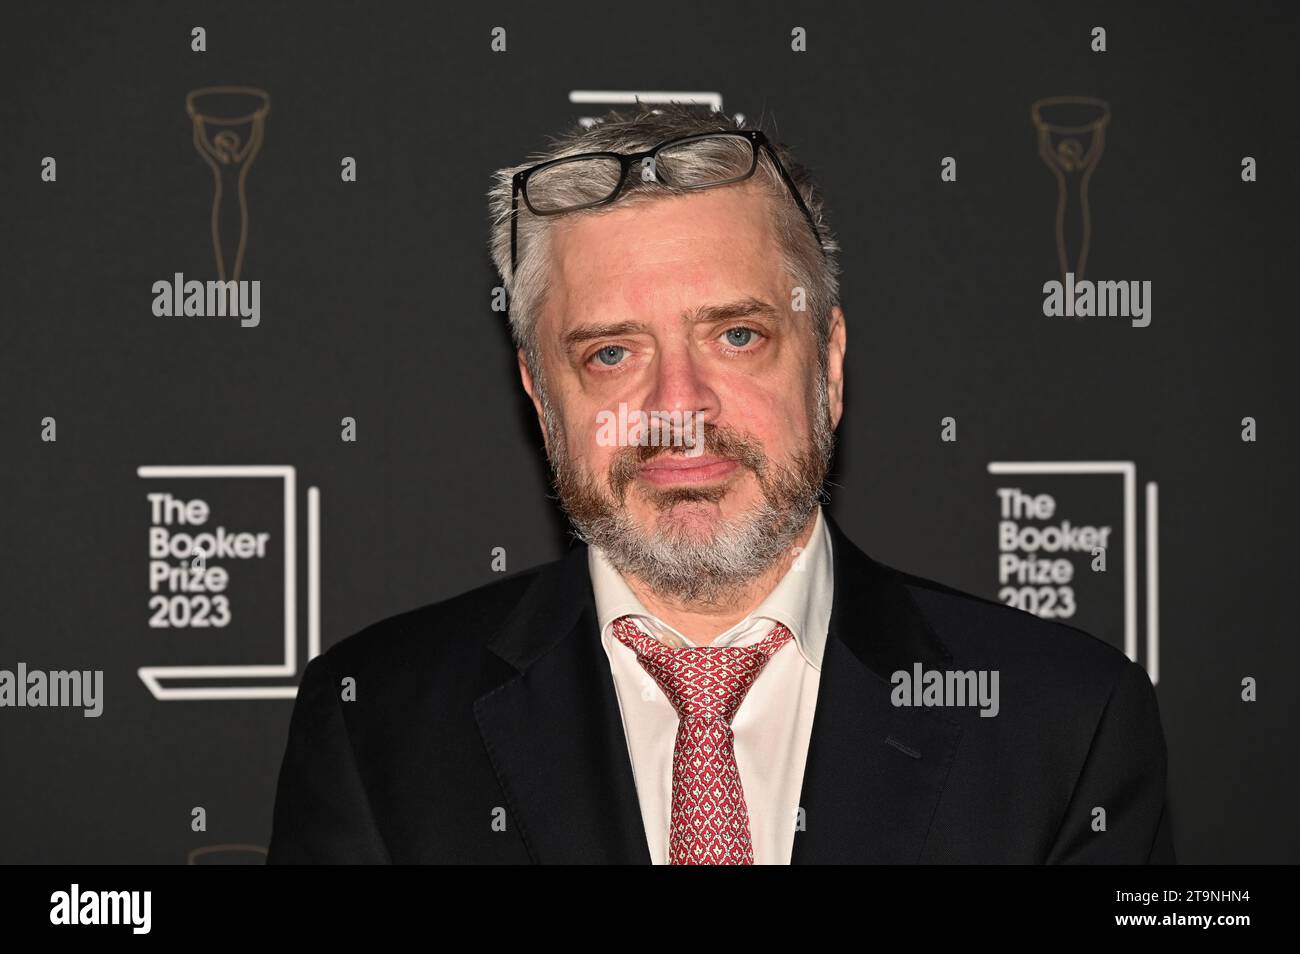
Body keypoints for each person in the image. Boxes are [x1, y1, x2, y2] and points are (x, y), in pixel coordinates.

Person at [267, 104, 1174, 864]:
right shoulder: (374, 723)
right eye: (612, 352)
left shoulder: (1062, 720)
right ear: (544, 401)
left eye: (736, 336)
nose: (679, 406)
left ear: (828, 361)